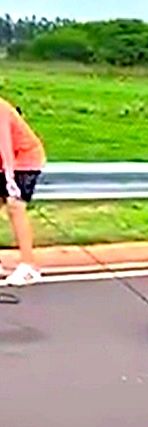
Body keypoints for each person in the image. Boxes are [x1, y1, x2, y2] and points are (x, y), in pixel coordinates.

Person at [0, 95, 44, 286]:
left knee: (15, 206)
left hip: (26, 159)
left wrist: (9, 179)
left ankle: (29, 266)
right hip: (6, 163)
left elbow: (4, 145)